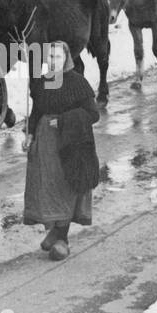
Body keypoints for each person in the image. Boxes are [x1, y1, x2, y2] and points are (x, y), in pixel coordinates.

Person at [22, 41, 100, 260]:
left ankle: (62, 239)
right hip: (45, 144)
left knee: (66, 187)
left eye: (57, 57)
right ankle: (55, 230)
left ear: (66, 58)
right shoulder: (44, 82)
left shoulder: (78, 82)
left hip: (70, 143)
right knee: (48, 187)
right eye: (50, 57)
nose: (52, 61)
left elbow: (93, 114)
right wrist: (29, 134)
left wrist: (65, 122)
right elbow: (37, 110)